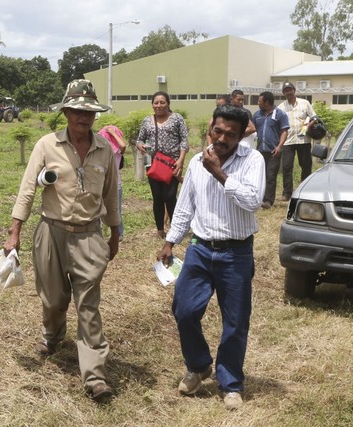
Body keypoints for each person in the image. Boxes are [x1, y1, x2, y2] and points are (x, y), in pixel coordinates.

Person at [3, 79, 120, 402]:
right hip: (51, 233)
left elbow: (112, 194)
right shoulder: (46, 145)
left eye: (89, 112)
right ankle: (52, 336)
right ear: (66, 112)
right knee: (53, 298)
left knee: (88, 304)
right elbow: (28, 189)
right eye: (77, 111)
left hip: (89, 235)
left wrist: (114, 232)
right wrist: (15, 231)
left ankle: (95, 375)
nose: (84, 117)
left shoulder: (104, 150)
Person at [157, 104, 265, 410]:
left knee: (235, 320)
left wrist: (218, 172)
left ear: (241, 134)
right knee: (184, 309)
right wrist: (170, 240)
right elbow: (186, 206)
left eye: (230, 134)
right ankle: (199, 365)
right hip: (200, 249)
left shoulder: (252, 160)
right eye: (217, 130)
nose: (221, 138)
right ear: (211, 126)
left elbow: (253, 201)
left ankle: (230, 383)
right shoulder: (195, 162)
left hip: (236, 252)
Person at [136, 92, 189, 239]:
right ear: (152, 104)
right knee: (157, 197)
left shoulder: (177, 118)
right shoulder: (147, 120)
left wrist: (181, 160)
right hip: (151, 162)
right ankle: (160, 230)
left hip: (171, 163)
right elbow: (140, 139)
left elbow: (184, 140)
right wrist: (140, 145)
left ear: (168, 103)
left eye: (162, 102)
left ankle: (175, 228)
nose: (159, 106)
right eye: (156, 103)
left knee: (170, 196)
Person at [277, 81, 317, 201]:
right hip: (288, 141)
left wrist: (309, 125)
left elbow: (314, 117)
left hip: (303, 140)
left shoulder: (305, 103)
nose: (288, 92)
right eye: (286, 91)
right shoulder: (281, 107)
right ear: (283, 93)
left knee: (305, 166)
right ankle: (287, 193)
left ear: (294, 90)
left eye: (290, 90)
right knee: (287, 167)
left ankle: (305, 191)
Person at [252, 92, 289, 208]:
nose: (258, 103)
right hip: (260, 150)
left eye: (259, 101)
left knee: (271, 175)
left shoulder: (280, 114)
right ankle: (259, 198)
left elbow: (284, 131)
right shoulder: (257, 115)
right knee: (260, 175)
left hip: (274, 151)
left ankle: (268, 201)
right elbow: (252, 130)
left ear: (267, 102)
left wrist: (279, 146)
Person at [98, 123, 127, 240]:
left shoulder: (118, 151)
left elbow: (123, 145)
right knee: (97, 210)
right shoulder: (100, 151)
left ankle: (119, 234)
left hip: (115, 184)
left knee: (115, 210)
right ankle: (97, 233)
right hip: (100, 183)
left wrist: (113, 133)